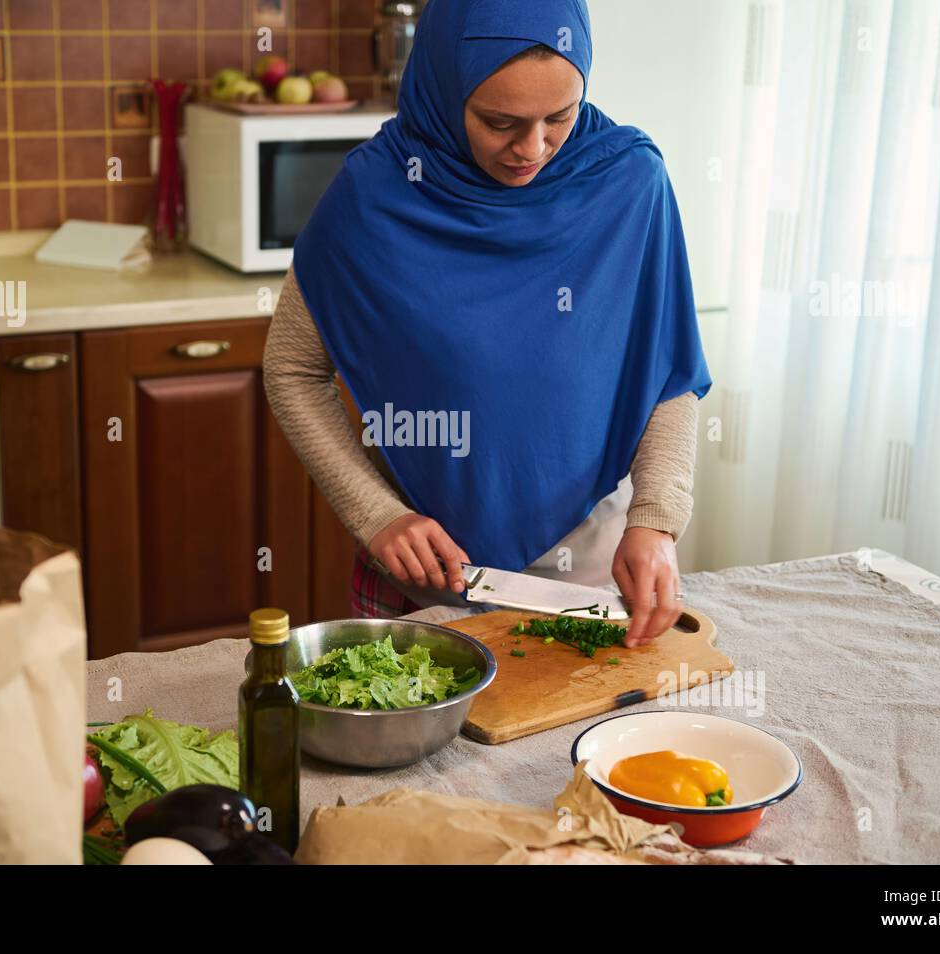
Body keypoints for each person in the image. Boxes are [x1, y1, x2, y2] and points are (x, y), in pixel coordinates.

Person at [264, 0, 711, 647]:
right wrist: (376, 515)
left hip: (593, 585)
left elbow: (668, 371)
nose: (531, 149)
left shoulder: (629, 182)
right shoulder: (372, 198)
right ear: (447, 90)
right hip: (420, 587)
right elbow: (292, 370)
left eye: (560, 117)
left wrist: (657, 520)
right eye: (500, 122)